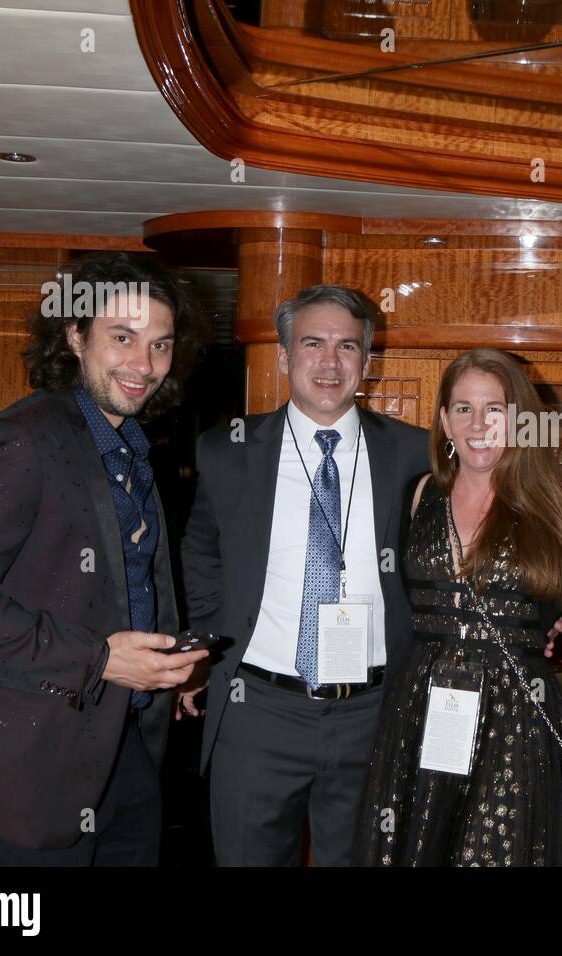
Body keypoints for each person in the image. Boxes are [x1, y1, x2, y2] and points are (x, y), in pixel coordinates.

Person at [0, 252, 211, 864]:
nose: (143, 365)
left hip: (125, 749)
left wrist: (166, 658)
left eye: (160, 345)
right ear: (74, 336)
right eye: (122, 338)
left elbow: (121, 578)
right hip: (25, 774)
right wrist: (100, 659)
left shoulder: (130, 445)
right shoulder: (19, 440)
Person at [353, 348, 562, 866]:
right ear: (444, 420)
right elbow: (397, 605)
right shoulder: (418, 495)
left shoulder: (560, 514)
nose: (478, 423)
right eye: (463, 408)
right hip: (420, 707)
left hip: (514, 716)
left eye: (495, 408)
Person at [176, 285, 430, 866]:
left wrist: (540, 607)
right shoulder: (228, 451)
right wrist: (203, 654)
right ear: (286, 356)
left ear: (367, 362)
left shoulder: (415, 453)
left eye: (347, 347)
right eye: (312, 344)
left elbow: (467, 542)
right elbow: (202, 555)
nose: (330, 362)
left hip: (374, 711)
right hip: (257, 709)